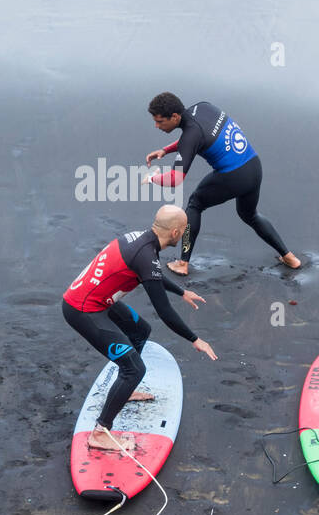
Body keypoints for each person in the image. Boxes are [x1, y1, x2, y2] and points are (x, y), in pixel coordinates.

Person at [63, 205, 218, 451]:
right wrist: (195, 339)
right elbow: (164, 311)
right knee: (135, 369)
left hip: (96, 300)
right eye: (184, 230)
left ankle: (123, 388)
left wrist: (182, 291)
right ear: (176, 232)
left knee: (140, 330)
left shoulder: (141, 241)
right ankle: (100, 432)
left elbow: (152, 273)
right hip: (83, 310)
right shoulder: (145, 255)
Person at [142, 92, 300, 276]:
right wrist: (165, 150)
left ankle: (183, 263)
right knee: (249, 214)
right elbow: (196, 137)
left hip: (234, 176)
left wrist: (152, 178)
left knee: (195, 203)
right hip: (253, 166)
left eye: (160, 121)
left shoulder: (191, 134)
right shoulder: (203, 106)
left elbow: (175, 179)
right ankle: (290, 258)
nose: (157, 126)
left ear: (175, 117)